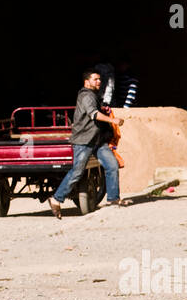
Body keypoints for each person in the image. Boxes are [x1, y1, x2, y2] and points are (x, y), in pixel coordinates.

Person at [49, 68, 130, 218]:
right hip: (84, 141)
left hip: (97, 140)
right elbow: (93, 114)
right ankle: (56, 199)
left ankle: (113, 199)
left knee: (112, 165)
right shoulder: (86, 95)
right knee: (77, 171)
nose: (99, 81)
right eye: (95, 79)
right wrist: (113, 120)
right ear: (87, 81)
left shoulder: (93, 95)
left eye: (100, 79)